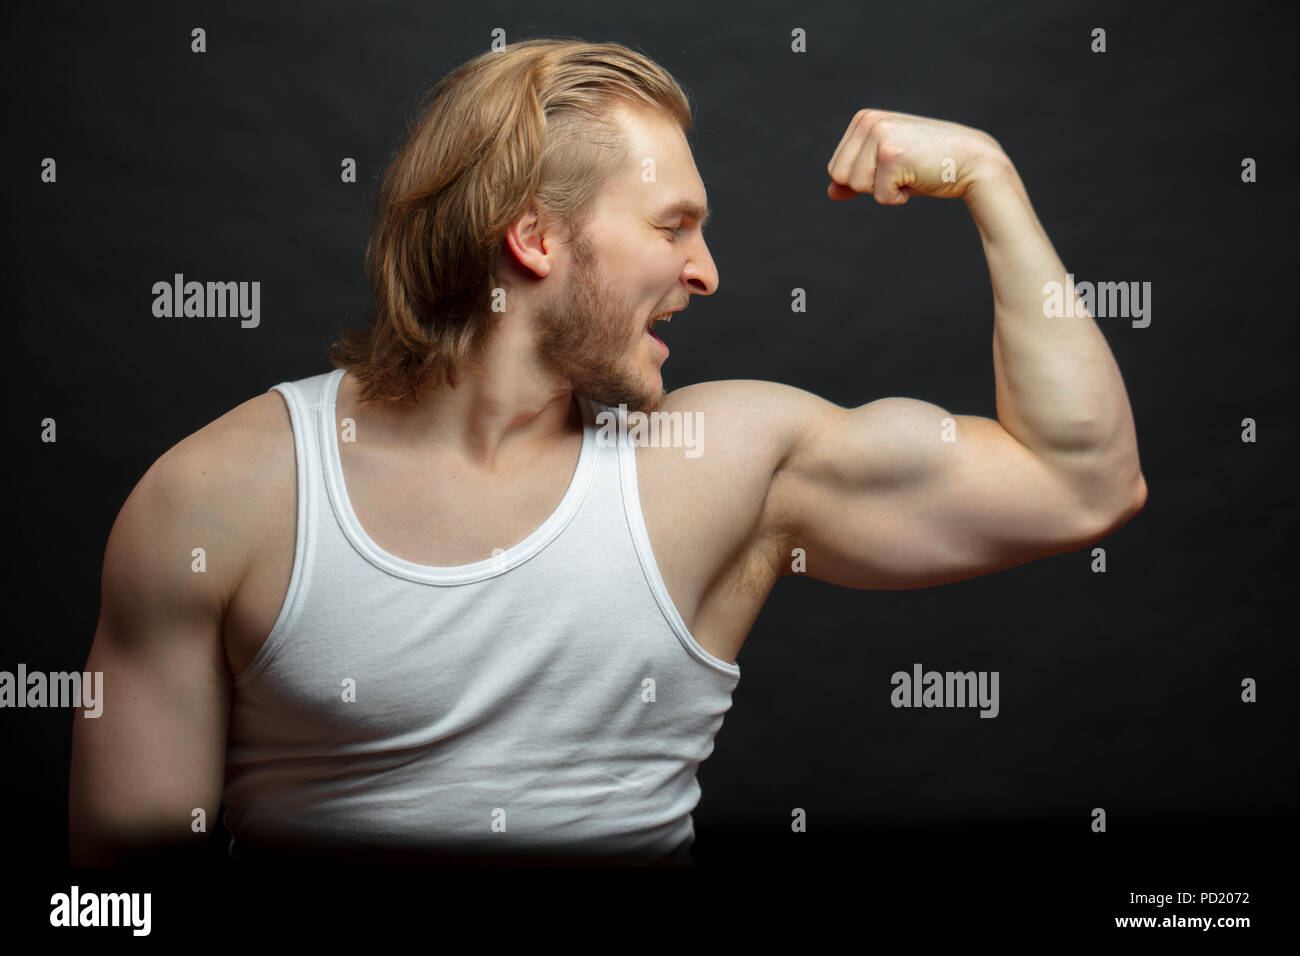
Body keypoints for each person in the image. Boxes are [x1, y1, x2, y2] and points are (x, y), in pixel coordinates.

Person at [68, 38, 1146, 867]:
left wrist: (991, 179)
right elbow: (120, 893)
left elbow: (1082, 482)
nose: (707, 272)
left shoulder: (723, 466)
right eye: (673, 226)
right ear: (536, 237)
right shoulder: (219, 499)